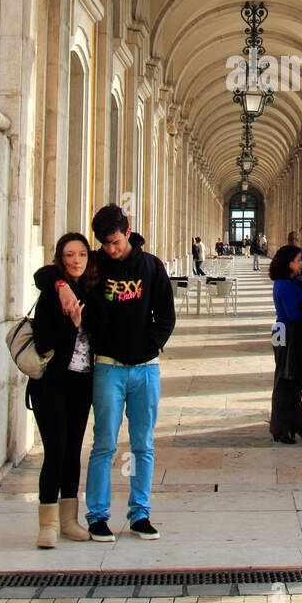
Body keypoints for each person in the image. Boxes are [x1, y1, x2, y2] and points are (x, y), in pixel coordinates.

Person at [57, 205, 176, 543]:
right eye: (104, 243)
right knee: (104, 443)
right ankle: (97, 516)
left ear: (127, 233)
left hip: (146, 370)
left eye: (114, 241)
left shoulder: (151, 266)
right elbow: (53, 271)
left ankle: (140, 513)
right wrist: (62, 286)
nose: (110, 248)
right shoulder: (94, 266)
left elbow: (166, 316)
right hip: (108, 367)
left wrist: (147, 346)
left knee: (143, 444)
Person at [31, 233, 105, 549]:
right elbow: (44, 342)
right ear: (60, 258)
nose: (75, 261)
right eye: (69, 255)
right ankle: (46, 524)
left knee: (74, 450)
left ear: (89, 259)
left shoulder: (93, 288)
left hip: (81, 383)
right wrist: (71, 324)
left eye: (81, 255)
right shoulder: (53, 292)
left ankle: (69, 520)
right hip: (51, 385)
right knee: (56, 451)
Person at [269, 243, 302, 444]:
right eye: (298, 260)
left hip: (287, 333)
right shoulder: (284, 284)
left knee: (294, 381)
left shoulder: (291, 282)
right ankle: (280, 429)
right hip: (285, 334)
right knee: (284, 381)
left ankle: (297, 426)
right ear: (288, 263)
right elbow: (294, 314)